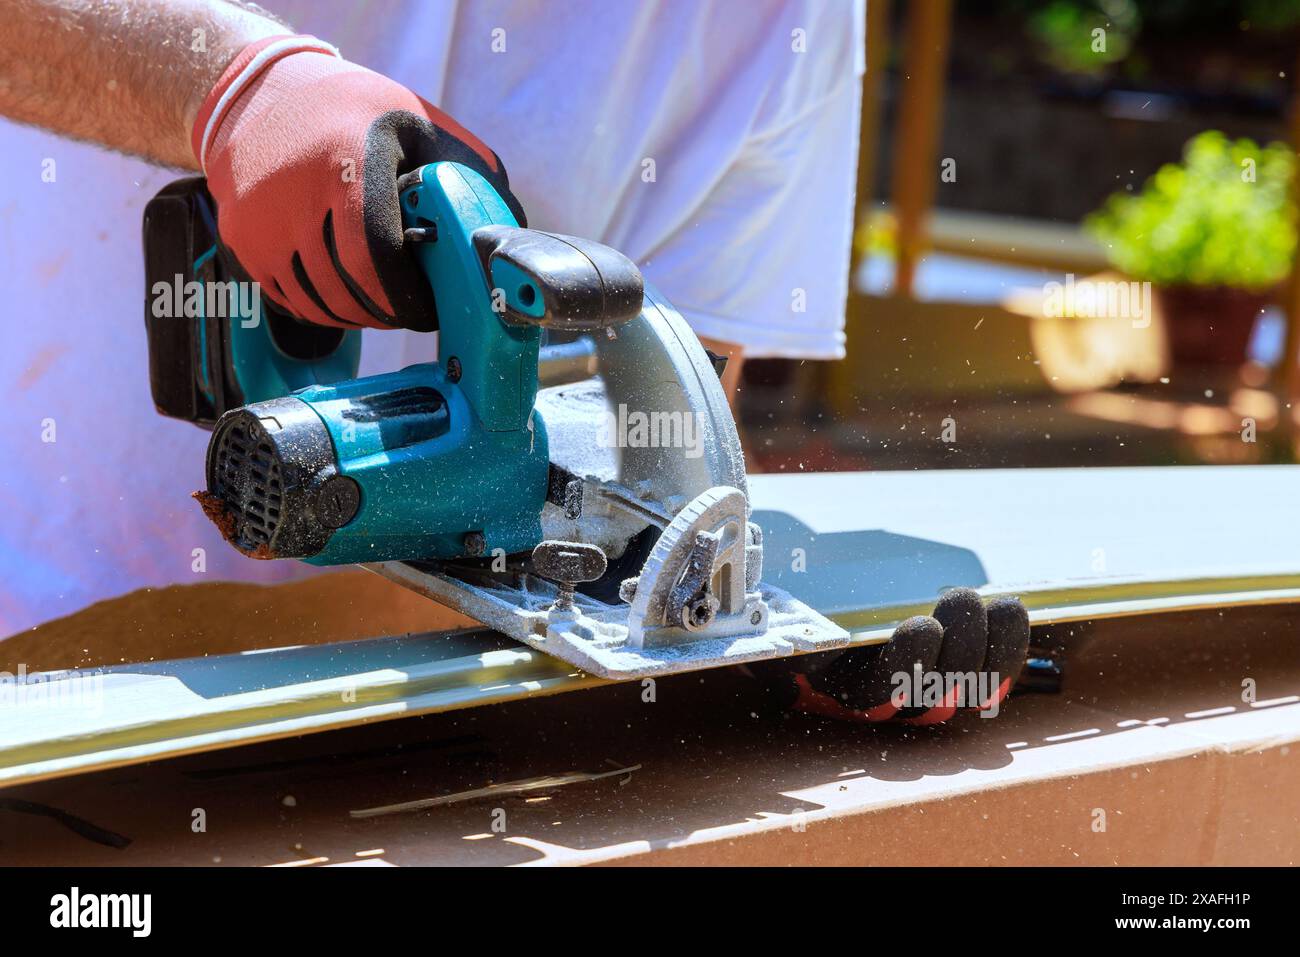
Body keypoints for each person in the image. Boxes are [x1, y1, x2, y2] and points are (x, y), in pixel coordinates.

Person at [0, 0, 1027, 724]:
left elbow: (663, 429)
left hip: (385, 711)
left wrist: (755, 652)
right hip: (34, 624)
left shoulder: (784, 17)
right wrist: (231, 87)